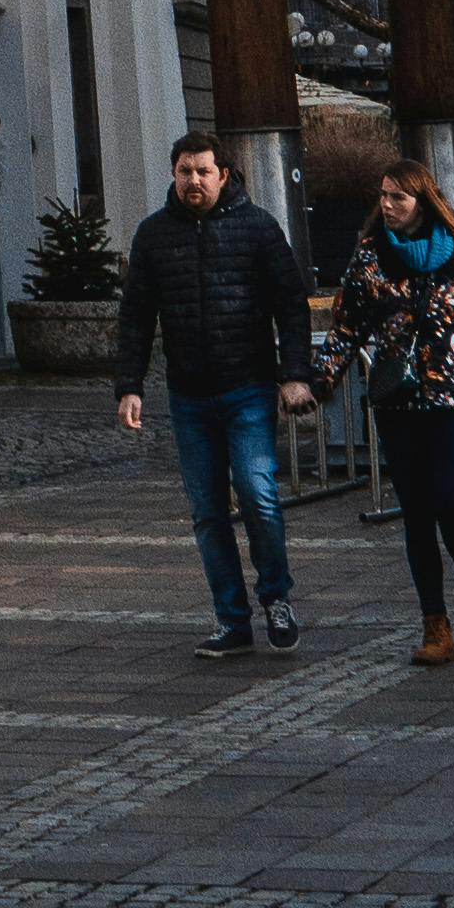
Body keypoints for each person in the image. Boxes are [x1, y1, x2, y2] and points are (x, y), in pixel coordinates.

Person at [114, 129, 319, 652]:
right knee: (208, 511)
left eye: (203, 171)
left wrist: (295, 374)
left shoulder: (258, 228)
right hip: (189, 395)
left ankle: (276, 597)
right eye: (185, 171)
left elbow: (291, 304)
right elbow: (136, 317)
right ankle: (232, 620)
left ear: (223, 175)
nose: (194, 181)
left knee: (258, 494)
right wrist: (130, 386)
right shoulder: (154, 235)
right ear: (174, 174)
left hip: (248, 386)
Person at [328, 158, 454, 666]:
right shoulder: (370, 255)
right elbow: (347, 325)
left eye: (398, 197)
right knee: (416, 512)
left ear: (423, 200)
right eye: (383, 195)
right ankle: (435, 626)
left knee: (451, 499)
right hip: (398, 399)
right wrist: (319, 380)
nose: (387, 205)